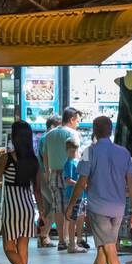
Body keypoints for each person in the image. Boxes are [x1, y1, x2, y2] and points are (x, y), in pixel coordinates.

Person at [66, 115, 132, 264]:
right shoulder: (124, 153)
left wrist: (71, 204)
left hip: (99, 207)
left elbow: (81, 182)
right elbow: (131, 183)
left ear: (94, 131)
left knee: (109, 248)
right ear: (111, 131)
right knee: (104, 248)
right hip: (118, 208)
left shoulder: (89, 152)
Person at [0, 120, 42, 264]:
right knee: (22, 248)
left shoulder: (7, 157)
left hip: (12, 207)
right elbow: (37, 189)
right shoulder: (34, 160)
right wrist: (41, 212)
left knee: (8, 247)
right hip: (28, 206)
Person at [41, 107, 81, 249]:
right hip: (68, 174)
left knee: (58, 208)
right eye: (77, 120)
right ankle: (70, 240)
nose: (78, 124)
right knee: (71, 206)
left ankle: (61, 241)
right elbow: (76, 156)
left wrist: (47, 172)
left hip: (53, 174)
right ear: (71, 119)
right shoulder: (72, 134)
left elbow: (44, 155)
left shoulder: (49, 135)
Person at [61, 139, 88, 253]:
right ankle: (72, 244)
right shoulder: (68, 163)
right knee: (73, 219)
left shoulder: (77, 162)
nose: (73, 153)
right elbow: (67, 180)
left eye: (75, 151)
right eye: (71, 151)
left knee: (81, 217)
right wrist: (80, 184)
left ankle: (77, 240)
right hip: (73, 195)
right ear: (66, 151)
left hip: (81, 195)